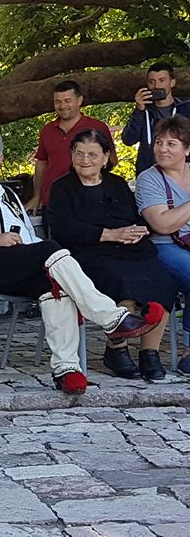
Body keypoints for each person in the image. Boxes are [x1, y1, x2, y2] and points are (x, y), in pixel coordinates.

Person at [0, 128, 160, 395]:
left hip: (11, 265)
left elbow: (28, 239)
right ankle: (111, 318)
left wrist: (34, 256)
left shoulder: (6, 194)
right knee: (49, 249)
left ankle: (67, 370)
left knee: (55, 284)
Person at [48, 129, 175, 381]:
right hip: (89, 253)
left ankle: (149, 353)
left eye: (92, 154)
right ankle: (117, 350)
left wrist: (137, 231)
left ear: (106, 157)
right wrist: (110, 234)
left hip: (130, 249)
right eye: (79, 153)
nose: (85, 160)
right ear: (72, 155)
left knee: (164, 282)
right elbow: (63, 229)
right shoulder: (62, 188)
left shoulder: (117, 184)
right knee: (121, 283)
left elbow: (133, 218)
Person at [135, 115, 190, 365]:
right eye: (159, 142)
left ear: (187, 149)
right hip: (166, 245)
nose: (163, 149)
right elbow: (162, 224)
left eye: (171, 144)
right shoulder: (149, 178)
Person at [27, 81, 117, 211]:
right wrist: (37, 196)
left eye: (67, 100)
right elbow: (41, 163)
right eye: (58, 102)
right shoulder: (47, 130)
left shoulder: (97, 127)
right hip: (52, 200)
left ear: (79, 100)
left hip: (89, 199)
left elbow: (112, 160)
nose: (62, 106)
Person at [123, 62, 190, 175]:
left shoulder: (186, 108)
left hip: (181, 174)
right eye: (151, 82)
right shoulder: (143, 111)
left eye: (162, 80)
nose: (156, 86)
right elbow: (128, 140)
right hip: (149, 173)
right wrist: (139, 110)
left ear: (172, 83)